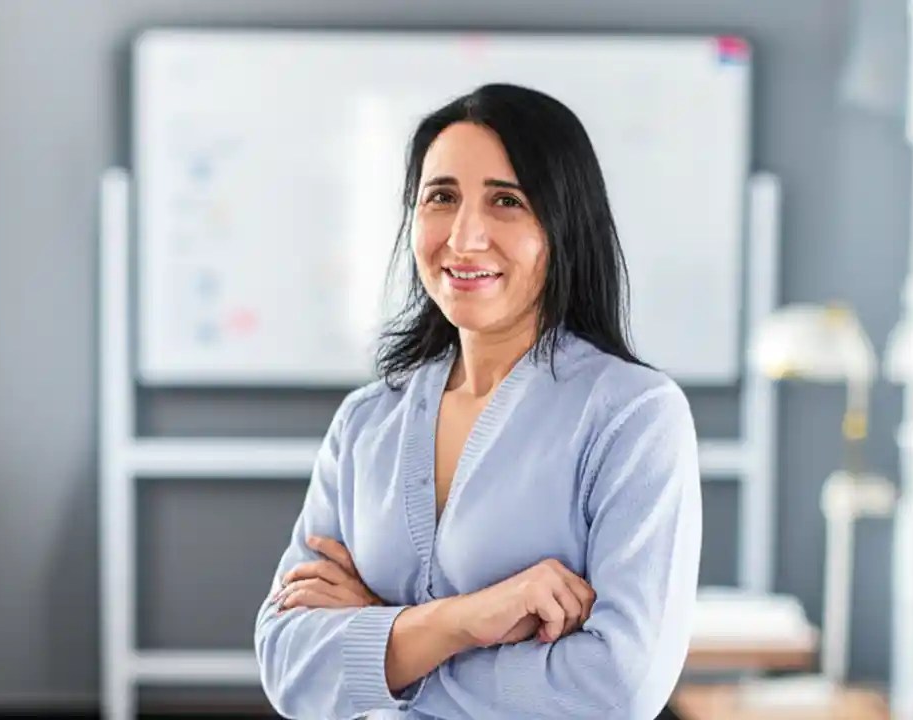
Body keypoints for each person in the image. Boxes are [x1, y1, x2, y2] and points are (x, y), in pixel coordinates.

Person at [254, 83, 702, 719]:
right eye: (441, 198)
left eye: (506, 201)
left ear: (562, 223)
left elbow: (617, 687)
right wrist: (469, 620)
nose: (464, 239)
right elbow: (287, 663)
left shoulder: (633, 414)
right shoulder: (365, 422)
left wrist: (384, 642)